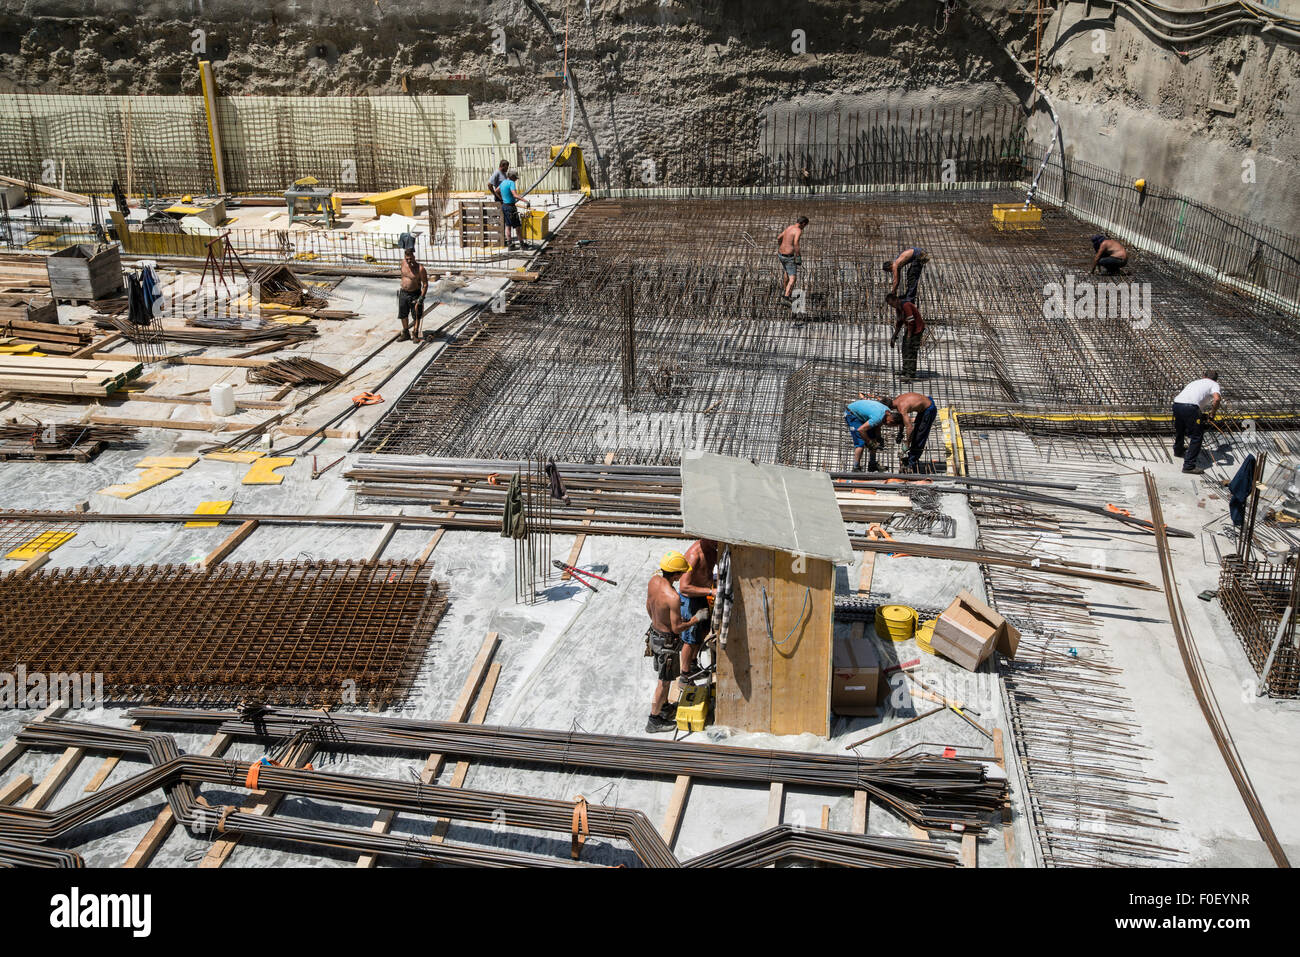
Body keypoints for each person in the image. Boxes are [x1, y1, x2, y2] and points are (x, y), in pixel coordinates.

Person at [644, 551, 711, 733]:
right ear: (676, 575)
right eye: (681, 573)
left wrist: (659, 622)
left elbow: (648, 606)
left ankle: (664, 707)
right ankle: (654, 720)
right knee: (664, 682)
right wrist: (696, 619)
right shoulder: (673, 597)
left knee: (664, 678)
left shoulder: (653, 581)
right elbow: (677, 628)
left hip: (655, 635)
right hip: (666, 642)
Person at [677, 539, 718, 678]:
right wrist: (710, 592)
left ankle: (693, 663)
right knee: (690, 638)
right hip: (689, 599)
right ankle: (685, 674)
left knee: (704, 630)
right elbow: (683, 587)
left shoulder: (712, 549)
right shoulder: (694, 556)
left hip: (701, 594)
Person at [1172, 371, 1221, 474]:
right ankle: (1189, 466)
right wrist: (1212, 414)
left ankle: (1178, 450)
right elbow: (1217, 399)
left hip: (1177, 405)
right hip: (1191, 408)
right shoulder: (1214, 384)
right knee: (1197, 436)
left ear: (1203, 376)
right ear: (1216, 379)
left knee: (1180, 429)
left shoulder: (1195, 382)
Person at [844, 396, 901, 472]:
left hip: (862, 415)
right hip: (852, 414)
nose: (888, 425)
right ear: (891, 420)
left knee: (874, 439)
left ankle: (872, 465)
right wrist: (869, 442)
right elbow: (861, 430)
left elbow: (877, 427)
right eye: (890, 424)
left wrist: (878, 438)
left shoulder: (887, 413)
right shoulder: (878, 417)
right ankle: (856, 467)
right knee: (860, 442)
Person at [892, 391, 938, 473]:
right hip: (925, 406)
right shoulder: (898, 400)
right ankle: (911, 458)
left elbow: (910, 428)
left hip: (929, 410)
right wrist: (900, 433)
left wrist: (907, 444)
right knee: (916, 434)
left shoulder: (902, 408)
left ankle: (911, 463)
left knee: (919, 437)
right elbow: (902, 419)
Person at [886, 292, 926, 380]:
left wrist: (909, 336)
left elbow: (911, 322)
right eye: (891, 305)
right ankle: (905, 369)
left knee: (911, 349)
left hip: (917, 329)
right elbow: (899, 323)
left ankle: (911, 373)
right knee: (905, 348)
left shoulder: (906, 305)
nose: (893, 306)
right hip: (910, 328)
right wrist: (894, 336)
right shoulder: (898, 308)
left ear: (896, 300)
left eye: (892, 304)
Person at [397, 247, 428, 341]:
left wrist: (421, 297)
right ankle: (406, 332)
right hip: (403, 293)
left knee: (416, 314)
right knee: (403, 314)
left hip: (415, 294)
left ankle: (415, 333)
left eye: (411, 258)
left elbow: (425, 284)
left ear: (414, 257)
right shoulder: (402, 263)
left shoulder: (420, 269)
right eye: (407, 259)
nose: (409, 261)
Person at [777, 217, 808, 301]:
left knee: (787, 272)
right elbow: (796, 243)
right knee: (793, 278)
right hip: (788, 257)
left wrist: (781, 246)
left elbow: (779, 237)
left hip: (780, 254)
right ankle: (786, 298)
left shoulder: (789, 227)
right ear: (803, 224)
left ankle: (786, 290)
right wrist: (798, 256)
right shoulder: (798, 230)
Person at [499, 171, 530, 249]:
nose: (516, 179)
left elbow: (496, 190)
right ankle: (522, 245)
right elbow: (515, 195)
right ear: (512, 177)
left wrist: (502, 198)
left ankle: (510, 245)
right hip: (511, 207)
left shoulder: (503, 182)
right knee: (517, 226)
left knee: (508, 225)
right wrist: (525, 201)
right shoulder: (511, 183)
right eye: (515, 178)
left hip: (504, 206)